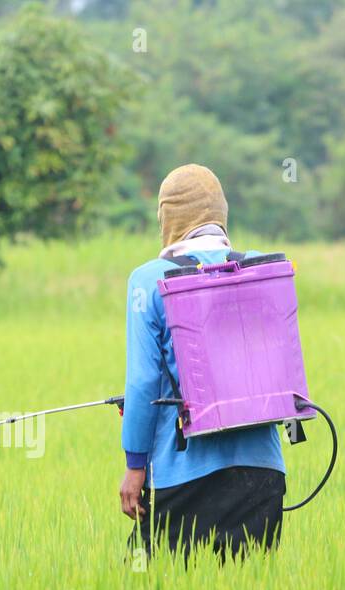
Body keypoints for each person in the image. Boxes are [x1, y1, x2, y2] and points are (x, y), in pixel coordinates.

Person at [119, 164, 286, 562]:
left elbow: (143, 383)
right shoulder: (261, 268)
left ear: (168, 216)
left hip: (185, 474)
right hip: (263, 471)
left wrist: (134, 465)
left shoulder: (148, 280)